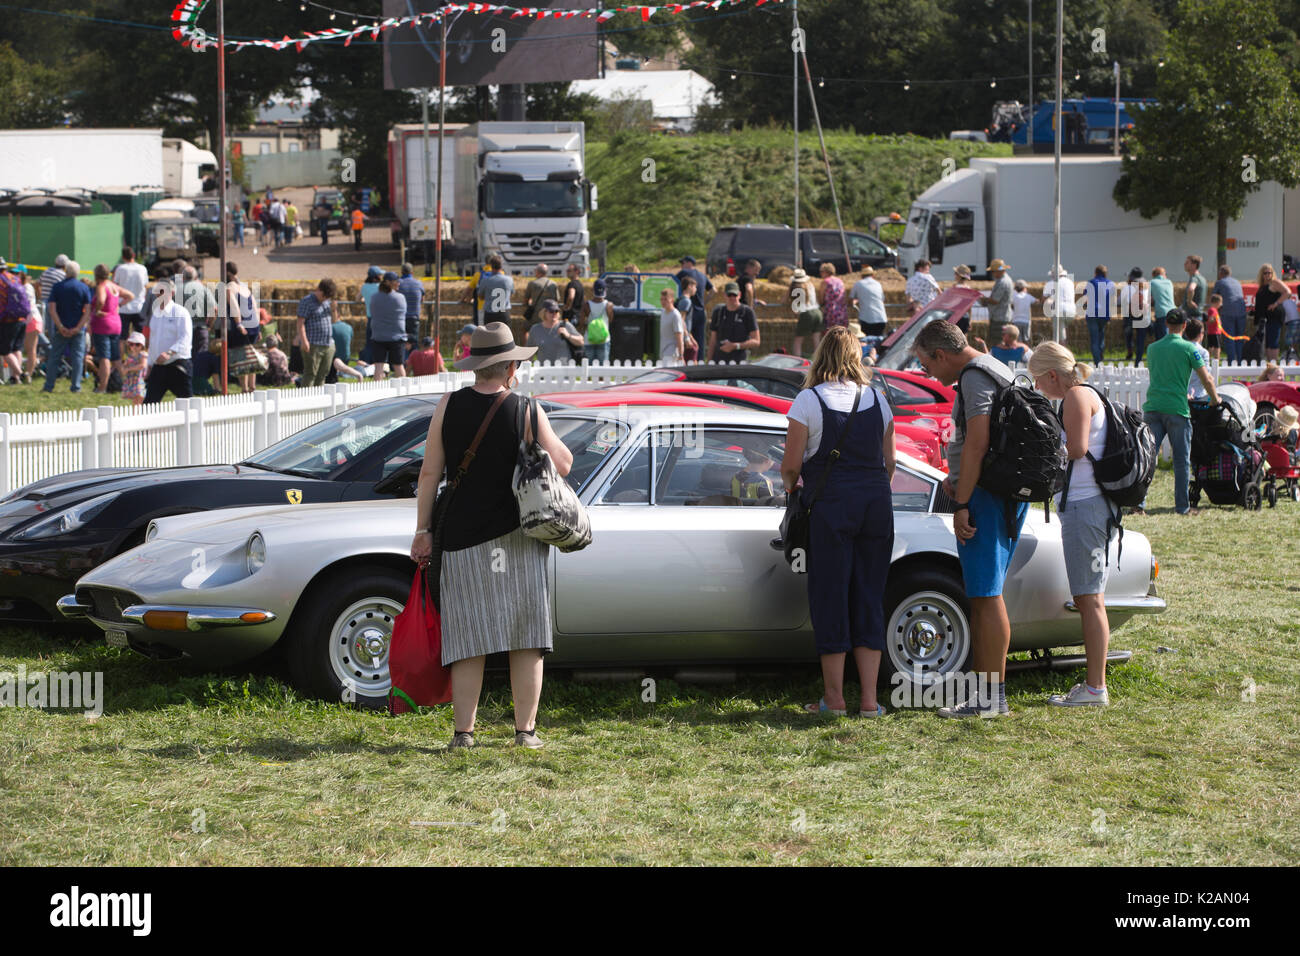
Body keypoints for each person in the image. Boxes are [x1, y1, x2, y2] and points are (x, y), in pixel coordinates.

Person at [410, 323, 573, 750]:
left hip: (462, 537)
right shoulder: (525, 409)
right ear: (511, 366)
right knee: (526, 636)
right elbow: (565, 464)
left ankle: (464, 734)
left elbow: (429, 474)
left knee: (468, 637)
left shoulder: (448, 405)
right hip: (518, 536)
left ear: (476, 366)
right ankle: (525, 733)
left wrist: (422, 531)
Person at [910, 320, 1026, 718]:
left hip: (986, 496)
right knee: (985, 594)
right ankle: (988, 695)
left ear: (941, 354)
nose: (929, 374)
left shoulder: (974, 378)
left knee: (985, 595)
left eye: (927, 365)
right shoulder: (996, 367)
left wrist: (961, 500)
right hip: (1003, 492)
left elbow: (978, 441)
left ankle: (990, 699)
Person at [780, 326, 895, 717]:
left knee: (830, 596)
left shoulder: (807, 400)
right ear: (856, 357)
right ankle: (868, 701)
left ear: (821, 355)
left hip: (831, 506)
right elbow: (889, 463)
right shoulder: (878, 399)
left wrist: (792, 488)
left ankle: (834, 699)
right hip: (876, 504)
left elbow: (791, 467)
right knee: (869, 595)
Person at [1027, 342, 1115, 707]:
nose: (1036, 388)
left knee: (1090, 598)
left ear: (1051, 375)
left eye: (1037, 379)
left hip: (1086, 504)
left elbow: (1077, 448)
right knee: (1088, 596)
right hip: (1086, 504)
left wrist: (1046, 450)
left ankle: (1096, 688)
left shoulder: (1076, 397)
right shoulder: (1084, 394)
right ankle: (1095, 685)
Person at [1141, 310, 1221, 515]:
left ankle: (1138, 504)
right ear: (1184, 326)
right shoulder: (1188, 349)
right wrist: (1215, 399)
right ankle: (1182, 506)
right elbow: (1207, 379)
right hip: (1177, 408)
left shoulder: (1152, 348)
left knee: (1147, 458)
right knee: (1181, 461)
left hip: (1153, 406)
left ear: (1166, 323)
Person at [44, 260, 91, 395]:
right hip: (78, 329)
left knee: (54, 357)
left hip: (61, 329)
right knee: (77, 358)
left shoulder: (57, 287)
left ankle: (49, 386)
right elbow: (87, 310)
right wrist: (78, 327)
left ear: (66, 271)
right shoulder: (83, 288)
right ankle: (75, 386)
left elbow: (51, 308)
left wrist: (60, 326)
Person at [142, 281, 194, 404]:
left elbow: (185, 338)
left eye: (162, 291)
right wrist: (149, 364)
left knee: (188, 403)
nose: (158, 295)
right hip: (159, 367)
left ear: (172, 293)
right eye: (157, 292)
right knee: (149, 404)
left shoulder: (181, 312)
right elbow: (154, 342)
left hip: (178, 365)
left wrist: (169, 353)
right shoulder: (155, 314)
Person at [90, 264, 131, 393]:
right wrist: (118, 306)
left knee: (104, 358)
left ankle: (102, 387)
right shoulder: (114, 286)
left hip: (103, 324)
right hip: (116, 323)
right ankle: (128, 385)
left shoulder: (101, 286)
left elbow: (101, 300)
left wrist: (97, 310)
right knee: (117, 359)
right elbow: (130, 296)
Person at [223, 262, 261, 394]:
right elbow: (255, 308)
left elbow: (234, 307)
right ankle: (252, 387)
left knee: (241, 358)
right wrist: (259, 327)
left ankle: (244, 389)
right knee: (251, 356)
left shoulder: (229, 288)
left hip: (241, 327)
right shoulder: (245, 288)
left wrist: (239, 324)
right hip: (253, 326)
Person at [297, 279, 338, 388]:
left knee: (322, 375)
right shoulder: (306, 301)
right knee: (310, 374)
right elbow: (300, 323)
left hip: (328, 344)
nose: (325, 299)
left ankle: (318, 401)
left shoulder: (327, 302)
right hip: (313, 344)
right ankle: (305, 401)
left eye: (328, 297)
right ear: (319, 290)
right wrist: (304, 341)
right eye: (324, 296)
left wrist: (334, 310)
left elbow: (334, 321)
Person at [369, 271, 408, 381]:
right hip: (396, 336)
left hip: (378, 335)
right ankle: (404, 393)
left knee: (379, 367)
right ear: (391, 283)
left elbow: (372, 313)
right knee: (398, 366)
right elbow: (403, 313)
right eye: (397, 282)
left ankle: (376, 392)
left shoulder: (374, 297)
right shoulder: (400, 298)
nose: (399, 284)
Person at [708, 281, 760, 363]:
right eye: (729, 295)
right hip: (718, 361)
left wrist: (736, 346)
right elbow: (713, 340)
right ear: (724, 295)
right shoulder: (718, 311)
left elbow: (756, 341)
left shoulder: (747, 312)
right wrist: (709, 362)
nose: (732, 298)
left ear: (739, 295)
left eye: (735, 295)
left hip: (739, 362)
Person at [1253, 263, 1289, 362]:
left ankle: (1274, 364)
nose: (1268, 275)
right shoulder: (1262, 285)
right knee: (1267, 343)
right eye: (1265, 273)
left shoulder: (1274, 282)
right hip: (1264, 318)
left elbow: (1288, 292)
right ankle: (1270, 365)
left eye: (1270, 272)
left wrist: (1276, 303)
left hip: (1274, 316)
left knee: (1273, 342)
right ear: (1262, 274)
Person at [1079, 265, 1116, 365]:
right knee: (1101, 336)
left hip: (1092, 313)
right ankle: (1100, 355)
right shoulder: (1110, 283)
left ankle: (1097, 362)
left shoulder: (1091, 282)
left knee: (1094, 339)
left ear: (1095, 273)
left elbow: (1085, 297)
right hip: (1104, 314)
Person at [526, 299, 583, 363]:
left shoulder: (565, 325)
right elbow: (529, 351)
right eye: (551, 311)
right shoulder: (535, 329)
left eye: (556, 311)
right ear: (544, 312)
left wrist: (568, 335)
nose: (554, 313)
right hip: (543, 370)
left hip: (565, 369)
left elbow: (581, 342)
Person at [113, 247, 148, 344]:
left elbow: (115, 286)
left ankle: (122, 358)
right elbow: (145, 285)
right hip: (139, 306)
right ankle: (141, 357)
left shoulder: (120, 269)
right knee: (141, 337)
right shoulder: (142, 268)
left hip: (123, 307)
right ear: (134, 255)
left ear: (123, 257)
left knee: (122, 337)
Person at [1212, 265, 1246, 363]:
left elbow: (1214, 298)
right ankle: (1240, 361)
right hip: (1241, 311)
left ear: (1221, 273)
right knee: (1239, 337)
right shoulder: (1237, 282)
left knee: (1229, 337)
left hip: (1228, 312)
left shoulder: (1220, 283)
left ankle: (1231, 362)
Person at [674, 255, 709, 349]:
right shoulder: (702, 275)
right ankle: (699, 361)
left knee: (686, 339)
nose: (681, 266)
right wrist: (704, 302)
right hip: (701, 311)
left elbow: (671, 283)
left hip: (687, 310)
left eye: (683, 263)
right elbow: (714, 290)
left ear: (689, 263)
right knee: (699, 343)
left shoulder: (684, 272)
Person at [788, 268, 822, 358]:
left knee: (798, 340)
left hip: (806, 314)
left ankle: (797, 361)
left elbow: (794, 306)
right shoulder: (810, 285)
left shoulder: (795, 287)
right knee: (816, 339)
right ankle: (817, 360)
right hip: (818, 312)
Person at [579, 278, 612, 363]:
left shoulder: (586, 305)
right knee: (603, 368)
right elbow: (610, 320)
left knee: (588, 367)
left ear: (593, 290)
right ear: (605, 290)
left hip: (589, 338)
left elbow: (581, 323)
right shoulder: (609, 305)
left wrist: (584, 328)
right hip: (604, 339)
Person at [1118, 267, 1146, 362]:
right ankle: (1138, 360)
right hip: (1142, 315)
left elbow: (1119, 301)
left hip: (1129, 315)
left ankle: (1130, 352)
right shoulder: (1145, 288)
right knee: (1140, 338)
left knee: (1128, 336)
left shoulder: (1127, 288)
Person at [1145, 265, 1175, 353]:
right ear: (1163, 274)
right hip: (1173, 311)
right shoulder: (1169, 282)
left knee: (1162, 339)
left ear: (1153, 275)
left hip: (1162, 313)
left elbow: (1148, 300)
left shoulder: (1151, 282)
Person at [851, 265, 887, 337]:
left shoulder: (858, 284)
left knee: (866, 342)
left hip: (866, 318)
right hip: (881, 318)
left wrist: (857, 300)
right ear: (873, 275)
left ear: (862, 276)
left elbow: (850, 300)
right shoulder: (878, 284)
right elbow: (882, 299)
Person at [982, 258, 1014, 340]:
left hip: (999, 319)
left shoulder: (1002, 283)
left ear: (998, 271)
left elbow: (995, 300)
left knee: (998, 343)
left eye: (993, 271)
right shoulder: (1004, 280)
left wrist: (982, 298)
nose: (992, 273)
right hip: (1002, 317)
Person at [477, 254, 513, 326]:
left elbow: (480, 296)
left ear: (491, 266)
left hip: (490, 314)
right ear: (501, 266)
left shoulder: (485, 280)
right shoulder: (509, 279)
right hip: (504, 313)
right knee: (505, 336)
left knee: (489, 336)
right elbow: (511, 293)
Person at [397, 263, 424, 358]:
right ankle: (413, 364)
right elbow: (422, 298)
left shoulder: (398, 284)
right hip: (414, 317)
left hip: (400, 318)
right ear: (412, 272)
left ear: (401, 272)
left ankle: (401, 363)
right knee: (413, 343)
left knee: (400, 342)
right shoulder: (418, 283)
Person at [523, 264, 559, 330]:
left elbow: (526, 299)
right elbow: (557, 299)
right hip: (550, 314)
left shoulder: (532, 283)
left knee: (526, 329)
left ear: (537, 272)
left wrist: (528, 306)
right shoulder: (553, 283)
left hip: (536, 315)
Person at [1183, 318, 1211, 401]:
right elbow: (1206, 376)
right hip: (1199, 394)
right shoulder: (1203, 352)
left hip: (1183, 394)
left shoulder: (1181, 349)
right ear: (1200, 334)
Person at [658, 286, 686, 365]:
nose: (663, 302)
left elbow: (679, 335)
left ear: (672, 300)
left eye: (665, 299)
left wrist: (681, 355)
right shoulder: (663, 312)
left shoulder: (675, 315)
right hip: (663, 352)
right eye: (661, 299)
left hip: (672, 353)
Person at [676, 276, 701, 361]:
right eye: (695, 287)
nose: (696, 289)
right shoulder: (686, 301)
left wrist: (691, 337)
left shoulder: (683, 300)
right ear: (689, 286)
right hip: (683, 337)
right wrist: (686, 338)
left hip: (686, 334)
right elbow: (681, 320)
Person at [120, 331, 148, 405]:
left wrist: (129, 369)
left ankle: (139, 413)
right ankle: (135, 413)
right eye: (131, 344)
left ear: (142, 345)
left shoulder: (142, 355)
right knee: (135, 399)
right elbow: (124, 365)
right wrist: (124, 369)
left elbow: (142, 365)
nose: (134, 347)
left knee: (140, 398)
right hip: (131, 380)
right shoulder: (130, 356)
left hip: (139, 380)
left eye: (137, 345)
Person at [819, 262, 847, 329]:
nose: (820, 274)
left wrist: (820, 305)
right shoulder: (840, 281)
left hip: (831, 312)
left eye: (821, 272)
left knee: (830, 334)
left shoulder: (825, 282)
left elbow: (821, 298)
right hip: (842, 311)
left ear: (826, 272)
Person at [1010, 279, 1037, 343]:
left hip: (1016, 320)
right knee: (1026, 340)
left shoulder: (1014, 296)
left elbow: (1009, 304)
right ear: (1024, 288)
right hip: (1026, 321)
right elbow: (1037, 301)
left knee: (1018, 340)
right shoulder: (1028, 296)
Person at [562, 262, 585, 327]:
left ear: (576, 271)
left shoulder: (572, 284)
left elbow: (571, 296)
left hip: (570, 317)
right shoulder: (580, 284)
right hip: (577, 316)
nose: (567, 272)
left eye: (569, 271)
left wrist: (566, 307)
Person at [1203, 294, 1224, 361]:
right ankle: (1216, 360)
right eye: (1220, 303)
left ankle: (1207, 360)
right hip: (1215, 332)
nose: (1221, 305)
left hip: (1212, 332)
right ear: (1216, 302)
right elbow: (1211, 319)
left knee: (1211, 347)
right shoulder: (1213, 310)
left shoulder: (1212, 309)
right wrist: (1214, 319)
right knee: (1217, 347)